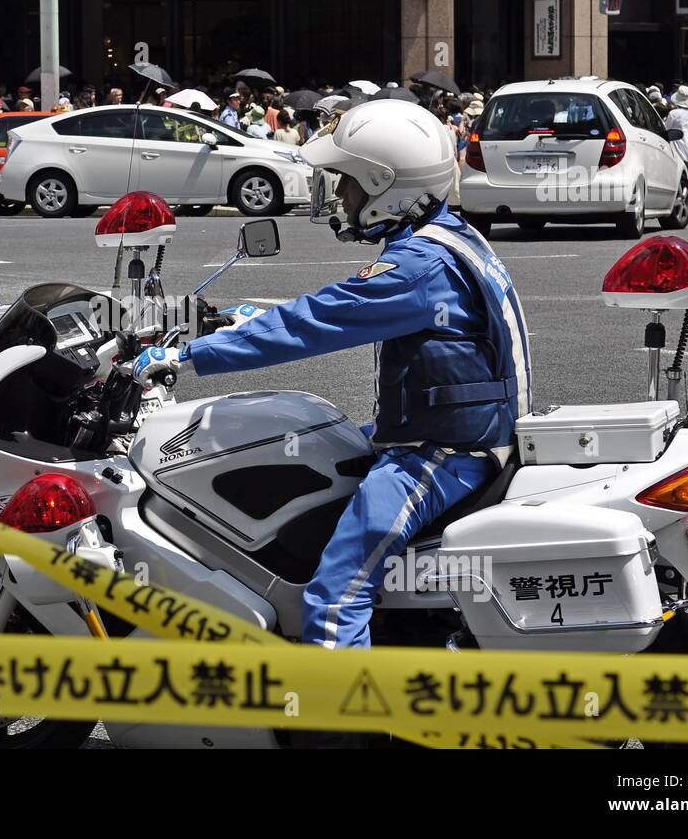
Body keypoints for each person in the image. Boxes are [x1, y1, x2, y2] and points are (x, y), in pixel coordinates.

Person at [129, 100, 530, 651]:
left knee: (336, 593)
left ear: (386, 184)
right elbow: (335, 308)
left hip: (443, 454)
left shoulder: (417, 268)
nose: (339, 195)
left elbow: (319, 320)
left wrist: (191, 355)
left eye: (348, 183)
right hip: (452, 431)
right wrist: (248, 319)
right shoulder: (447, 237)